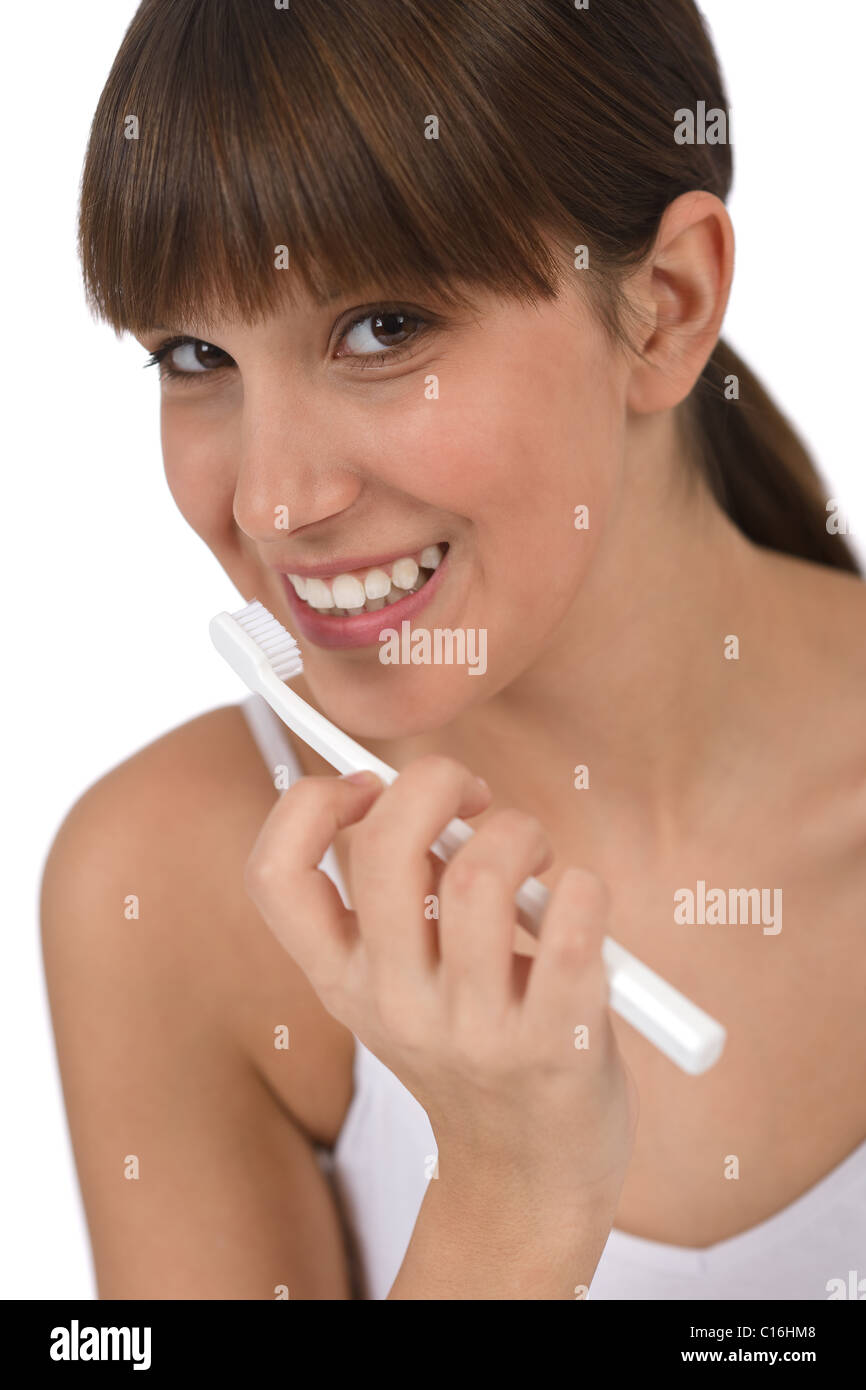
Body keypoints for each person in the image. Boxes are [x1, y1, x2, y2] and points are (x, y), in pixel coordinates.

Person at [41, 0, 866, 1299]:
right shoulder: (165, 888)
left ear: (664, 307)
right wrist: (506, 1195)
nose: (270, 500)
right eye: (194, 355)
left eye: (380, 330)